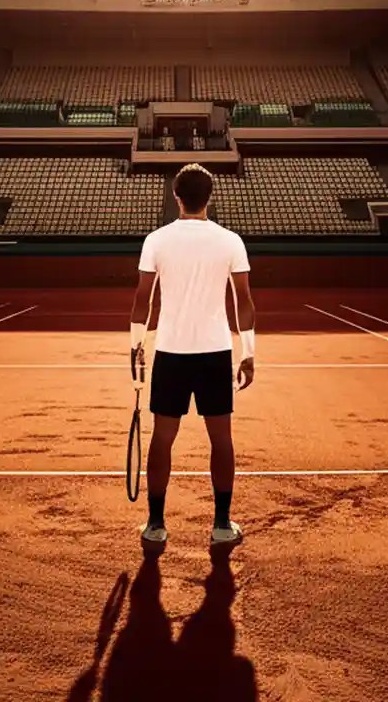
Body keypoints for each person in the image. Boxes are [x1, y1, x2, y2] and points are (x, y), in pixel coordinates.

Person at [129, 163, 256, 548]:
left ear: (176, 197)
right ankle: (221, 526)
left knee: (162, 438)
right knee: (222, 439)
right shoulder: (231, 241)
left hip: (170, 351)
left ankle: (155, 524)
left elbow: (141, 301)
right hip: (215, 353)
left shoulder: (156, 240)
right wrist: (248, 353)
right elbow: (244, 303)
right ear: (210, 196)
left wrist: (135, 347)